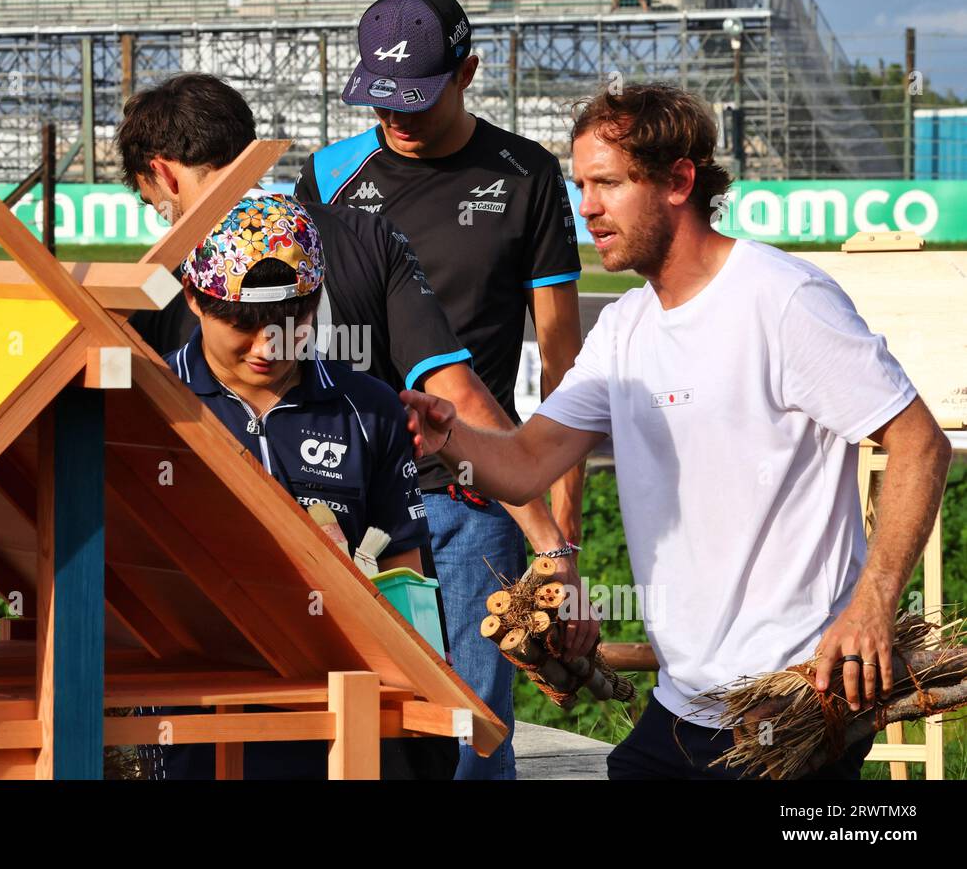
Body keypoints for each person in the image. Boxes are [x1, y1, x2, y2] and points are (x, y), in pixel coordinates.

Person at [399, 82, 954, 780]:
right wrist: (441, 436)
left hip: (792, 706)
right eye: (580, 184)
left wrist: (872, 604)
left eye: (607, 183)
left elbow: (920, 441)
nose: (587, 207)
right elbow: (525, 464)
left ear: (679, 181)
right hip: (683, 708)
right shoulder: (627, 327)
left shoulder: (780, 299)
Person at [294, 0, 587, 780]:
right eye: (382, 100)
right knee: (362, 734)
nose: (397, 118)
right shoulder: (327, 175)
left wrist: (562, 531)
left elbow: (563, 361)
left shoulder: (526, 173)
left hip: (477, 499)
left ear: (468, 73)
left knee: (473, 744)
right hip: (351, 501)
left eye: (417, 99)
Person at [143, 194, 446, 779]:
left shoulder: (371, 411)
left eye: (289, 323)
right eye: (241, 323)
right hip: (194, 723)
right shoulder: (149, 404)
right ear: (192, 300)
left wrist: (418, 705)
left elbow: (406, 577)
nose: (266, 346)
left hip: (341, 725)